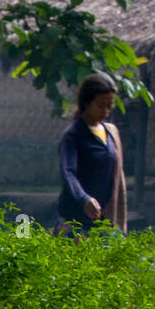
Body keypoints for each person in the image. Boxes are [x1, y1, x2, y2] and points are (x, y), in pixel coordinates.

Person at [56, 74, 127, 236]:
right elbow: (68, 172)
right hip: (75, 220)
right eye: (101, 105)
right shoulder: (73, 136)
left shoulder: (110, 133)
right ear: (86, 103)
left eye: (110, 105)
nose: (106, 111)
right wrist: (84, 199)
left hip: (104, 220)